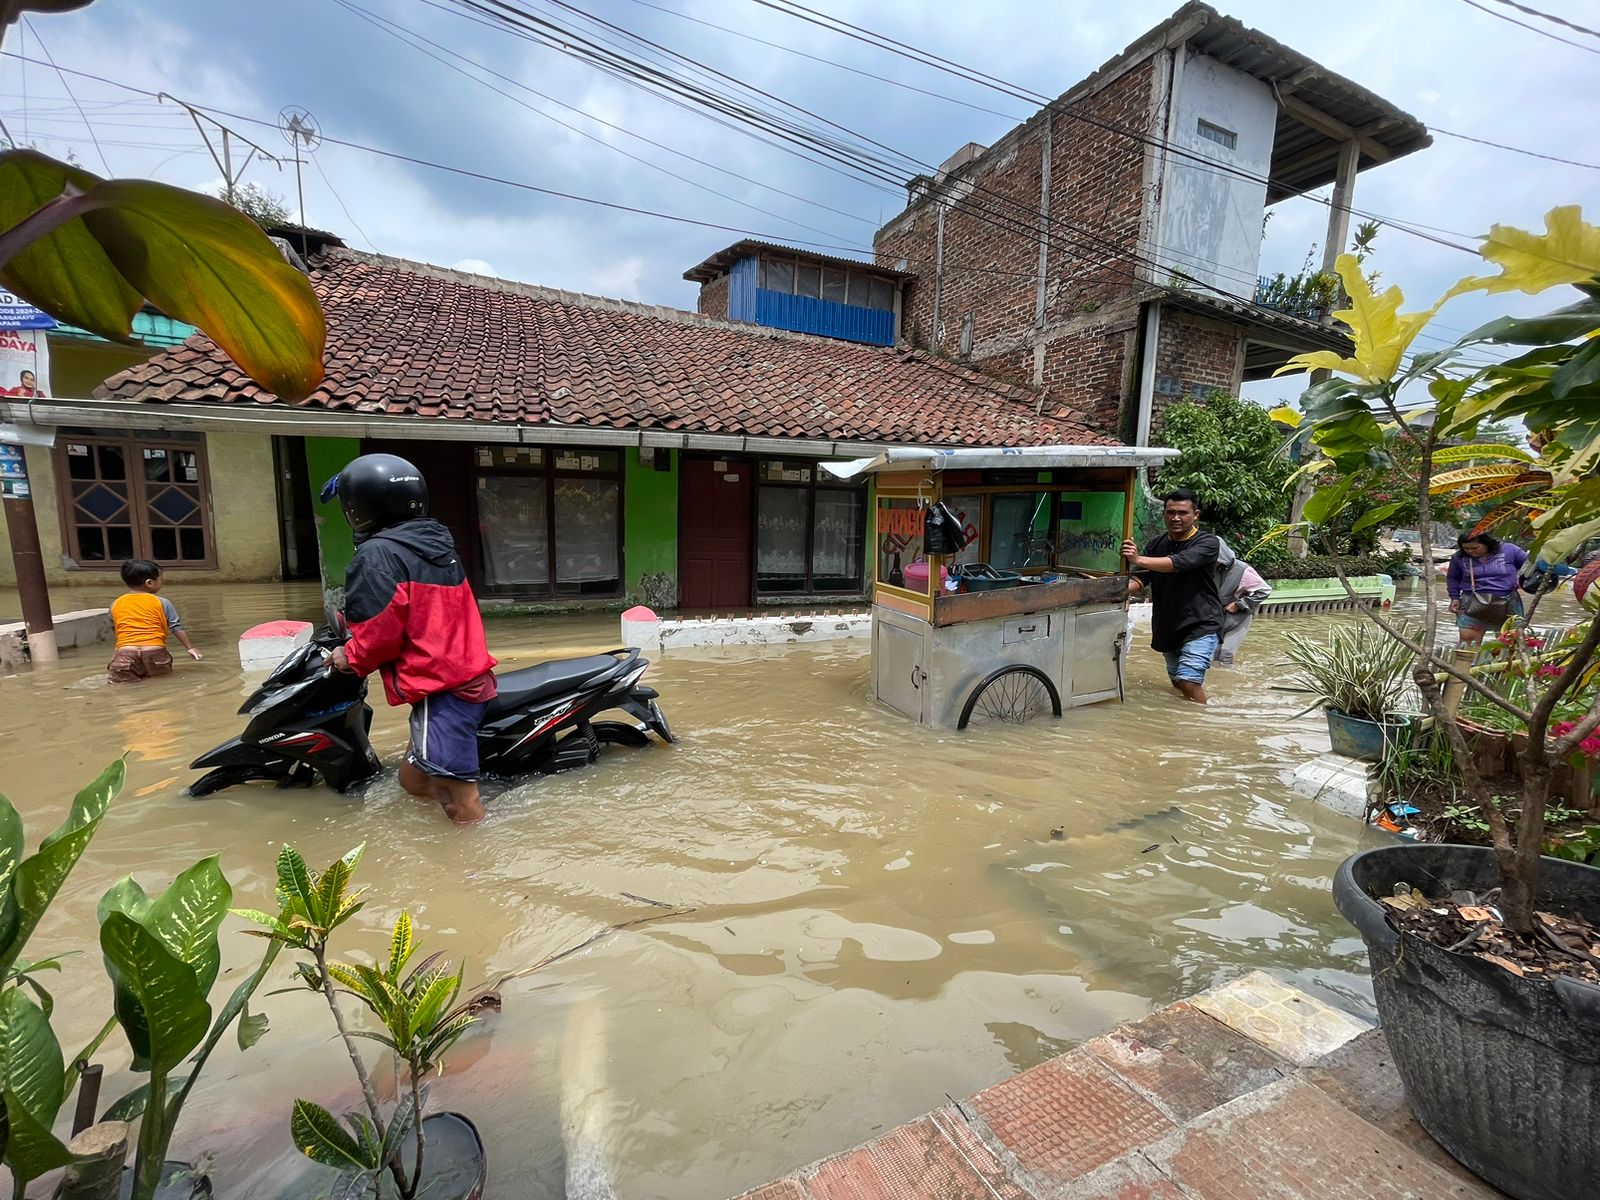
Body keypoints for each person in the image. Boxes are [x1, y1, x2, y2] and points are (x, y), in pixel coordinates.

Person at [324, 453, 497, 824]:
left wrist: (348, 657)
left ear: (357, 508)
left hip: (444, 688)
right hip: (462, 673)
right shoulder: (435, 543)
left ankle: (474, 869)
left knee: (458, 803)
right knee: (411, 780)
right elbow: (420, 613)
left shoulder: (377, 555)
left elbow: (380, 635)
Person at [1122, 489, 1224, 704]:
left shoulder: (1207, 543)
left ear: (1195, 515)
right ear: (1164, 514)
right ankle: (1186, 715)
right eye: (1170, 512)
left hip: (1200, 623)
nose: (1175, 518)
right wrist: (1111, 591)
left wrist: (1138, 559)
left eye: (1182, 513)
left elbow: (1179, 563)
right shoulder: (1157, 544)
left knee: (1189, 681)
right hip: (1168, 624)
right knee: (1178, 683)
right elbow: (1142, 580)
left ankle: (1202, 723)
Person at [106, 558, 202, 683]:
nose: (162, 582)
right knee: (160, 684)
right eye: (160, 579)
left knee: (120, 687)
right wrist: (190, 648)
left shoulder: (116, 604)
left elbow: (116, 629)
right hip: (155, 652)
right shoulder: (162, 602)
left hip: (125, 653)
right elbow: (176, 627)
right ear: (149, 582)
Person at [1446, 532, 1528, 645]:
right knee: (1468, 641)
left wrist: (1525, 584)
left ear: (1487, 543)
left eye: (1475, 548)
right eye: (1466, 549)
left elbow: (1529, 566)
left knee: (1510, 640)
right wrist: (1454, 597)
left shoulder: (1510, 550)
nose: (1470, 551)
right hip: (1472, 602)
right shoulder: (1459, 558)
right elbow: (1453, 578)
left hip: (1508, 601)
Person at [1214, 556, 1272, 667]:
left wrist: (1239, 604)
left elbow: (1265, 590)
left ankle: (1227, 681)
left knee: (1226, 656)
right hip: (1215, 617)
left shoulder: (1243, 570)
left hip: (1237, 619)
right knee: (1212, 655)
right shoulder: (1207, 568)